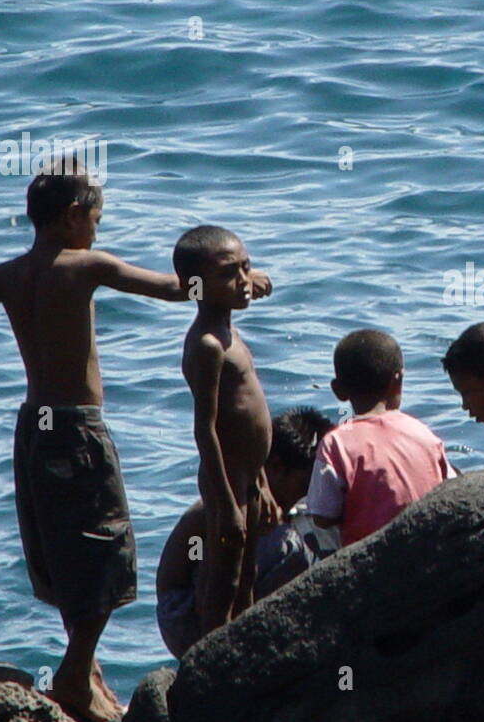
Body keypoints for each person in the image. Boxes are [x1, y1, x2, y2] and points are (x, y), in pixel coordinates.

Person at [0, 165, 271, 722]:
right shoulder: (88, 265)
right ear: (71, 218)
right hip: (78, 429)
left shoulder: (6, 275)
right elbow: (172, 288)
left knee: (66, 548)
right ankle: (73, 673)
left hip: (33, 426)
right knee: (105, 548)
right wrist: (245, 281)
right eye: (95, 219)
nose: (97, 230)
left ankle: (84, 672)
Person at [156, 406, 334, 659]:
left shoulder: (275, 503)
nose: (312, 489)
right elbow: (205, 576)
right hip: (186, 613)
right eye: (307, 481)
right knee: (294, 550)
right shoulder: (240, 502)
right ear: (275, 467)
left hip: (200, 601)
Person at [174, 224, 278, 639]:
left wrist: (262, 483)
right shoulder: (207, 346)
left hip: (248, 479)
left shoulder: (229, 333)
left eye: (246, 267)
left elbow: (247, 427)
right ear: (196, 286)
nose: (244, 281)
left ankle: (244, 652)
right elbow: (206, 430)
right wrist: (226, 501)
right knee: (224, 578)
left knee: (248, 571)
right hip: (227, 483)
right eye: (230, 273)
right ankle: (210, 656)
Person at [307, 329, 456, 547]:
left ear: (338, 390)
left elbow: (322, 516)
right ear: (398, 380)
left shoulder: (336, 443)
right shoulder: (424, 434)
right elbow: (451, 489)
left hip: (370, 562)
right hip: (429, 553)